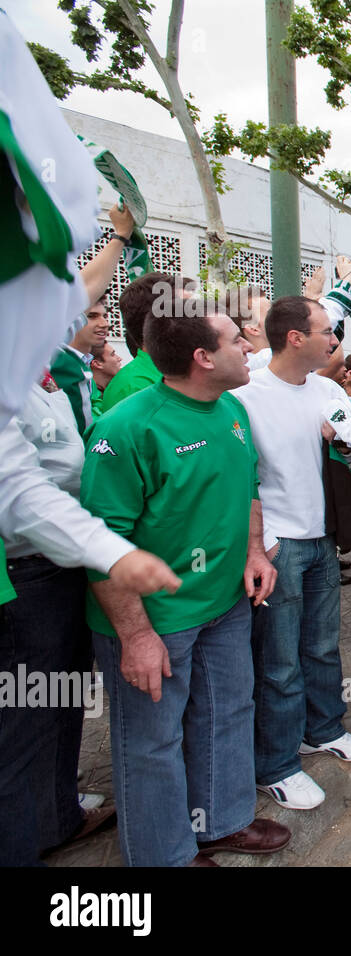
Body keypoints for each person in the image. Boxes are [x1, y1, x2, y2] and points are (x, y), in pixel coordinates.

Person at [79, 287, 287, 866]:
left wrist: (254, 553)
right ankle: (163, 857)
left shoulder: (232, 408)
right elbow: (101, 548)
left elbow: (246, 487)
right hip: (155, 620)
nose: (249, 346)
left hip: (224, 604)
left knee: (227, 714)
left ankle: (218, 824)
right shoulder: (125, 430)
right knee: (152, 744)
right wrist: (137, 636)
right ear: (201, 358)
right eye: (235, 340)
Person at [0, 379, 180, 866]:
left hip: (53, 562)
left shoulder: (41, 376)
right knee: (22, 729)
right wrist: (110, 551)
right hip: (25, 569)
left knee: (56, 705)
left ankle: (56, 816)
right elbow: (17, 489)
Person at [232, 296, 351, 811]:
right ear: (295, 337)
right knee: (279, 661)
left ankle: (324, 730)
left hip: (321, 539)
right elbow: (240, 474)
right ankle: (277, 764)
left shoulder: (326, 387)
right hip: (278, 546)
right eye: (325, 332)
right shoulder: (247, 394)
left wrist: (345, 433)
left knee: (320, 646)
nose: (335, 341)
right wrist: (257, 543)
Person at [98, 272, 196, 413]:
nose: (201, 317)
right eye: (188, 309)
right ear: (156, 321)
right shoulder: (134, 386)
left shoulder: (186, 371)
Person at [49, 294, 111, 437]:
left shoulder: (84, 364)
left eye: (104, 316)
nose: (104, 323)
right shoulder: (57, 365)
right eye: (92, 316)